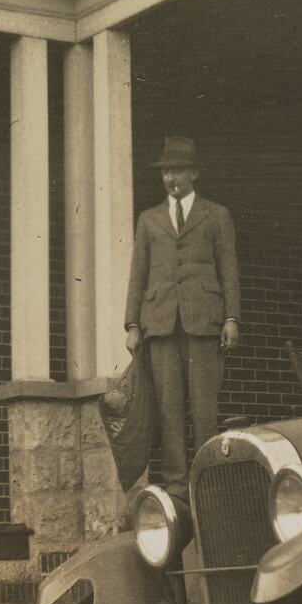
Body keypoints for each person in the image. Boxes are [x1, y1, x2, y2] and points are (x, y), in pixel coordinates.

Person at [124, 136, 241, 499]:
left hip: (203, 321)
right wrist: (132, 324)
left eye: (177, 170)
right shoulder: (148, 220)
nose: (170, 177)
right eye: (165, 171)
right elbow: (137, 273)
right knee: (169, 409)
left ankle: (207, 481)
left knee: (204, 406)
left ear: (194, 173)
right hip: (159, 323)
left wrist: (232, 317)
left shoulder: (216, 214)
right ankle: (176, 485)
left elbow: (228, 268)